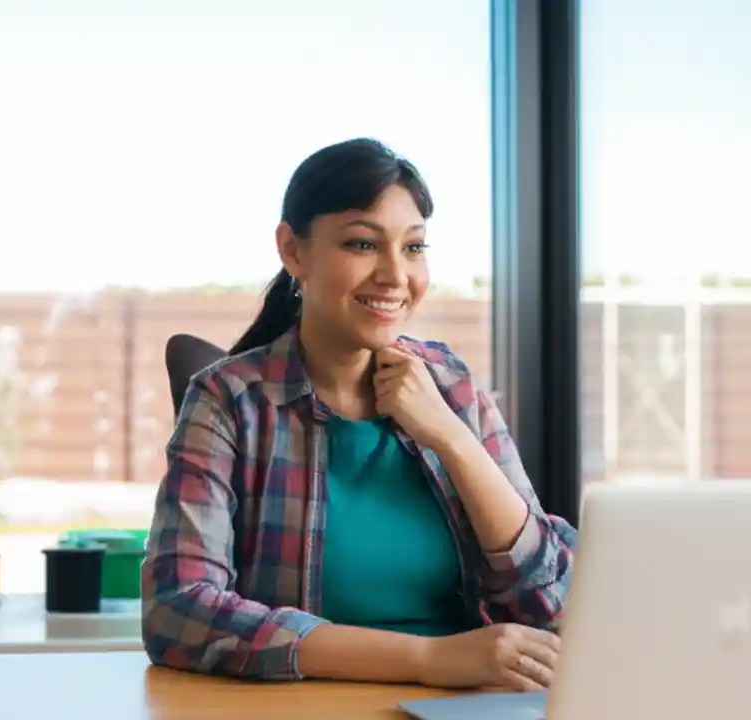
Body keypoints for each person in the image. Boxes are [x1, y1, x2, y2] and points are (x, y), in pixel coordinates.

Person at [140, 138, 576, 692]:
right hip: (310, 704)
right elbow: (178, 610)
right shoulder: (230, 400)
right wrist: (431, 659)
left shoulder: (451, 386)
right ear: (294, 251)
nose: (395, 275)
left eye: (414, 248)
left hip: (471, 704)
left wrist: (451, 438)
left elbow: (553, 601)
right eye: (363, 243)